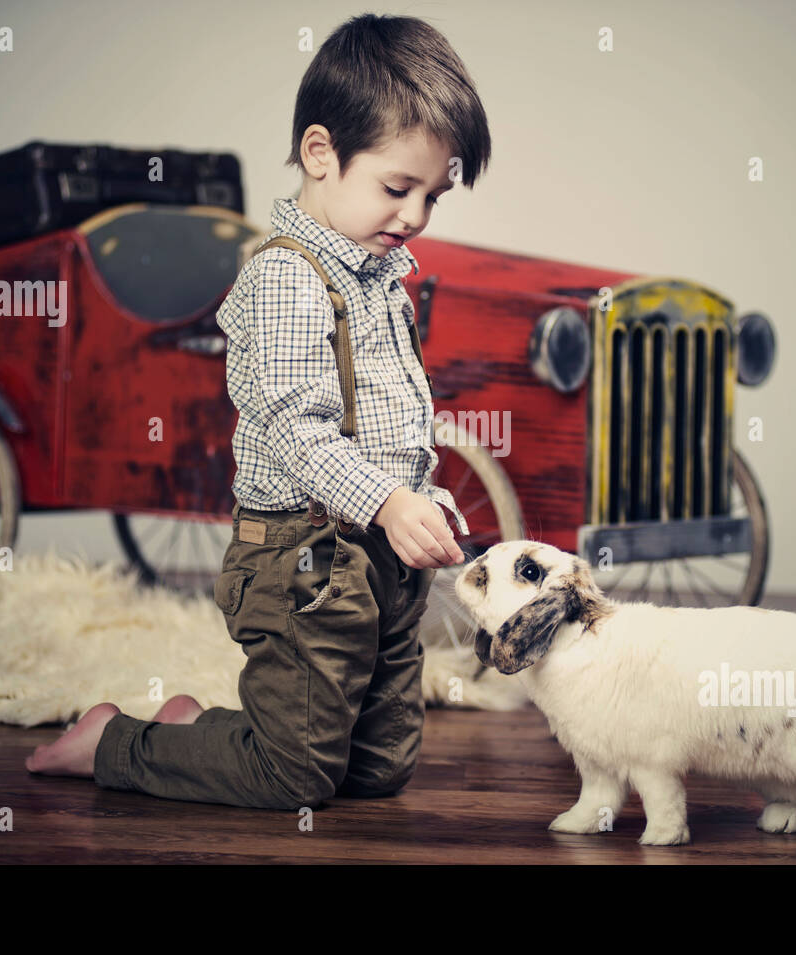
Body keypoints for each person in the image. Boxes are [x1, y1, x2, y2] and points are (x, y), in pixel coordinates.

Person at [25, 13, 493, 811]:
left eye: (432, 197)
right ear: (321, 154)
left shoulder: (380, 280)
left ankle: (199, 730)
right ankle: (113, 739)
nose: (415, 216)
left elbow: (401, 424)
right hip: (300, 561)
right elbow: (295, 426)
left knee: (380, 771)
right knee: (296, 778)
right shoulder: (285, 280)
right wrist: (385, 499)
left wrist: (424, 498)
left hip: (378, 564)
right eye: (397, 188)